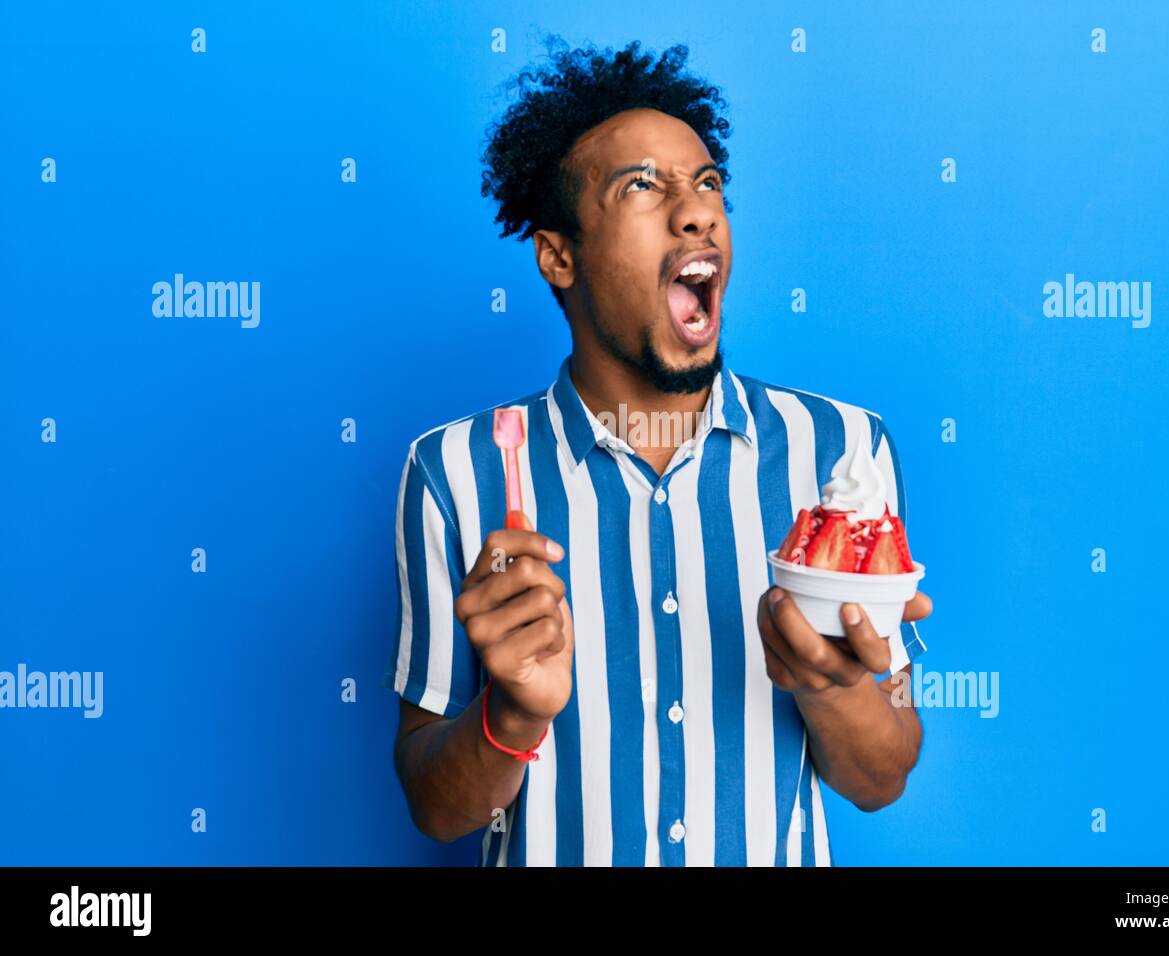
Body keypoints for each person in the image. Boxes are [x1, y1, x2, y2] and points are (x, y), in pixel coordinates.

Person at [386, 37, 933, 866]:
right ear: (558, 255)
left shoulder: (841, 453)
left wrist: (835, 686)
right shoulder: (455, 474)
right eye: (643, 185)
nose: (697, 209)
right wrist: (512, 718)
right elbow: (434, 804)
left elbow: (880, 776)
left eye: (708, 182)